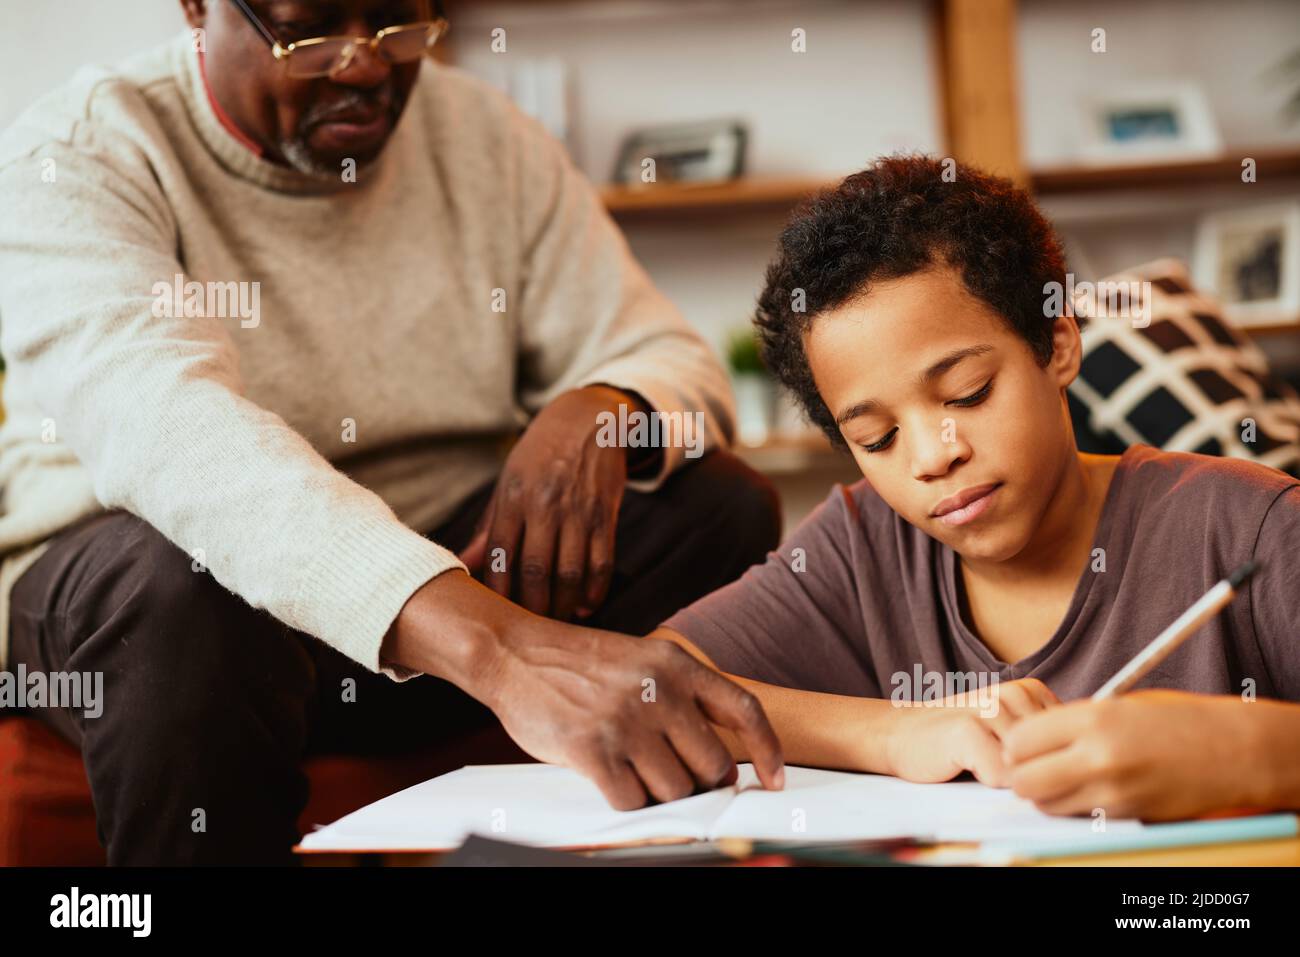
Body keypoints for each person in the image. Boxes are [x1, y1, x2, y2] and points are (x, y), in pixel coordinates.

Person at [0, 0, 785, 865]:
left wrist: (609, 405)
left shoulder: (489, 136)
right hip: (157, 604)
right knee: (182, 587)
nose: (364, 66)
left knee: (717, 506)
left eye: (396, 22)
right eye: (312, 31)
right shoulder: (78, 153)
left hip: (423, 602)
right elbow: (180, 443)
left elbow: (677, 364)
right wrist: (501, 649)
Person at [656, 155, 1300, 822]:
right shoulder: (863, 544)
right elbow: (653, 689)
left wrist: (1251, 753)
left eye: (968, 394)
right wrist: (894, 731)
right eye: (877, 438)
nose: (933, 457)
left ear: (1056, 346)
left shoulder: (1247, 527)